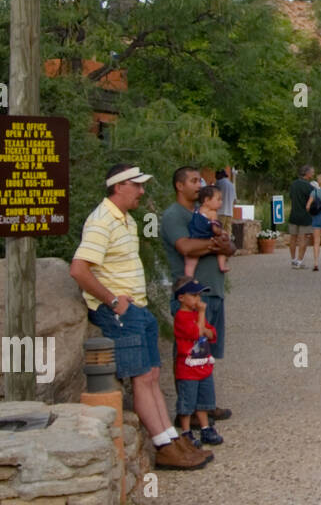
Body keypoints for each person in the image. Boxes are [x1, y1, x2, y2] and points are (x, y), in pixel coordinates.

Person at [69, 164, 209, 470]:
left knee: (152, 376)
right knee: (142, 378)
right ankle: (163, 444)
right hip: (121, 312)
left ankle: (172, 439)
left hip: (137, 309)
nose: (142, 192)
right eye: (137, 185)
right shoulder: (101, 221)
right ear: (119, 187)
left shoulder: (126, 220)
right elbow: (79, 268)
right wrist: (111, 300)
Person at [162, 166, 234, 426]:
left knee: (205, 351)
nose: (199, 184)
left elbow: (231, 245)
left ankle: (205, 404)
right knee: (187, 352)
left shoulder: (201, 214)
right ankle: (188, 410)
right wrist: (216, 245)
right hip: (189, 296)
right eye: (193, 180)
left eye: (199, 180)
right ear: (179, 186)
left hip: (212, 291)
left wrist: (220, 245)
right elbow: (185, 246)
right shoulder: (174, 215)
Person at [172, 278, 224, 448]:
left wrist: (204, 328)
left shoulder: (195, 315)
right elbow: (196, 332)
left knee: (203, 400)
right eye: (194, 295)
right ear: (181, 298)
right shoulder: (181, 316)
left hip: (203, 365)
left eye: (199, 295)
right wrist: (202, 318)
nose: (198, 300)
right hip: (188, 368)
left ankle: (205, 428)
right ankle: (186, 432)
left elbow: (210, 332)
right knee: (187, 401)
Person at [184, 184, 230, 278]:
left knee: (190, 263)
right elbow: (215, 229)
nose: (221, 202)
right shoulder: (213, 213)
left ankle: (188, 278)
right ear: (207, 200)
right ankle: (222, 265)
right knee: (222, 248)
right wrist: (221, 232)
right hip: (206, 238)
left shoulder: (197, 210)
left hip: (193, 238)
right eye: (218, 199)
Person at [288, 165, 316, 269]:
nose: (313, 174)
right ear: (307, 174)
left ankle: (293, 259)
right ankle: (300, 261)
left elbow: (291, 197)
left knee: (293, 238)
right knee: (303, 238)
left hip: (294, 214)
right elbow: (314, 201)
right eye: (312, 172)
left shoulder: (293, 184)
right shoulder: (310, 187)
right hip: (305, 215)